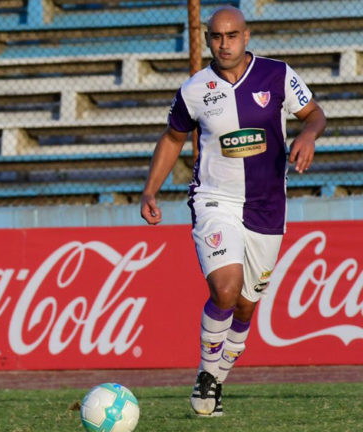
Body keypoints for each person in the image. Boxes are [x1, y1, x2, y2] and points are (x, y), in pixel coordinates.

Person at [140, 6, 326, 418]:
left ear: (246, 36)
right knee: (225, 290)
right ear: (207, 40)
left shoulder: (277, 75)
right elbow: (172, 138)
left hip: (267, 208)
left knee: (245, 306)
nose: (225, 44)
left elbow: (314, 114)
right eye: (217, 37)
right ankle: (206, 377)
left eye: (232, 36)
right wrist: (150, 191)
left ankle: (217, 381)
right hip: (214, 200)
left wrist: (308, 135)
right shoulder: (194, 89)